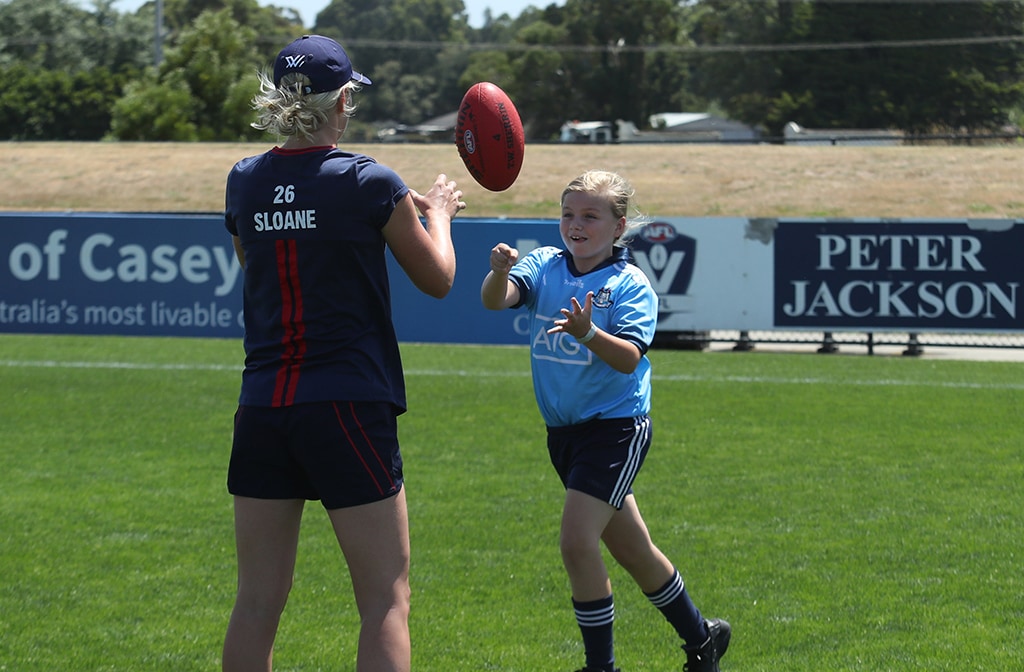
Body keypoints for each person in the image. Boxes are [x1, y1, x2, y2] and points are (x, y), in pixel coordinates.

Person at [221, 34, 464, 672]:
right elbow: (438, 279)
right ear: (344, 101)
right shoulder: (368, 181)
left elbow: (255, 263)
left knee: (256, 602)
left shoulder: (244, 180)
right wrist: (438, 212)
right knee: (385, 598)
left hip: (264, 405)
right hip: (347, 403)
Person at [480, 170, 730, 672]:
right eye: (568, 214)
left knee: (576, 542)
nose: (576, 224)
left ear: (618, 227)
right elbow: (494, 300)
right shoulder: (544, 265)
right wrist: (499, 272)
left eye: (590, 216)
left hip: (615, 429)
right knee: (634, 552)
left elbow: (628, 358)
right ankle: (702, 638)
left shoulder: (629, 284)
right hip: (564, 436)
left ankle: (601, 667)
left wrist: (588, 331)